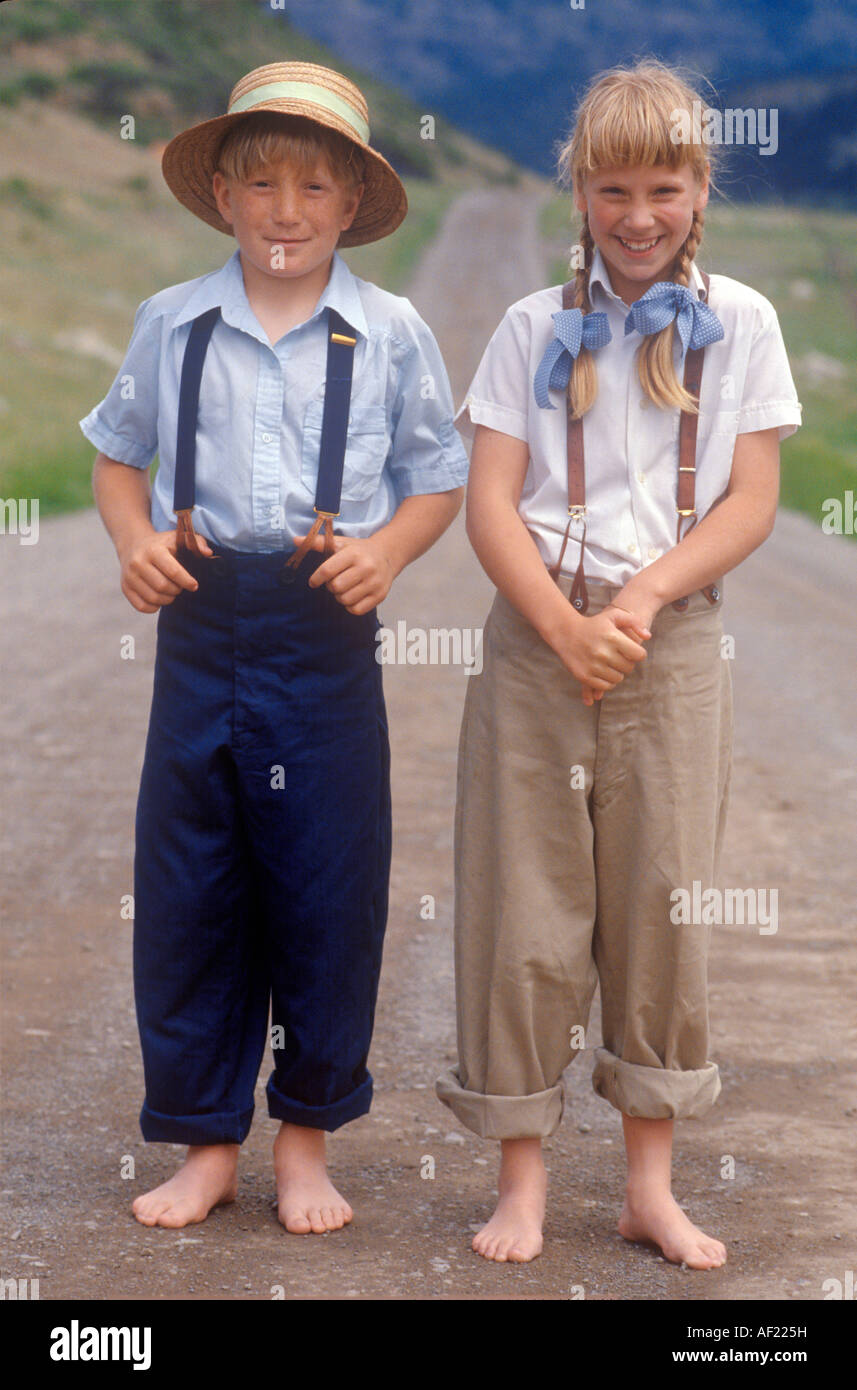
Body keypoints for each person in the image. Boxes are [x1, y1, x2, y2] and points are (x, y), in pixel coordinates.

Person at [81, 61, 467, 1234]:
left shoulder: (388, 331)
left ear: (351, 204)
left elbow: (437, 478)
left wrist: (389, 552)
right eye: (260, 182)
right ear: (224, 197)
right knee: (191, 885)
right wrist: (132, 539)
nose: (285, 208)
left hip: (324, 633)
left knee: (324, 887)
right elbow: (116, 456)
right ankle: (206, 1143)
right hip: (201, 626)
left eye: (311, 185)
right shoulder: (172, 321)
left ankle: (304, 1140)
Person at [436, 59, 801, 1268]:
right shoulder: (528, 327)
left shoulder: (739, 323)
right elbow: (491, 501)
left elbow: (749, 500)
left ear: (700, 190)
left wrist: (641, 598)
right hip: (539, 641)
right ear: (576, 190)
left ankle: (648, 1183)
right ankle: (521, 1179)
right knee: (521, 906)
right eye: (610, 188)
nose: (636, 214)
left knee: (659, 905)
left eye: (662, 186)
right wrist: (560, 622)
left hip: (672, 640)